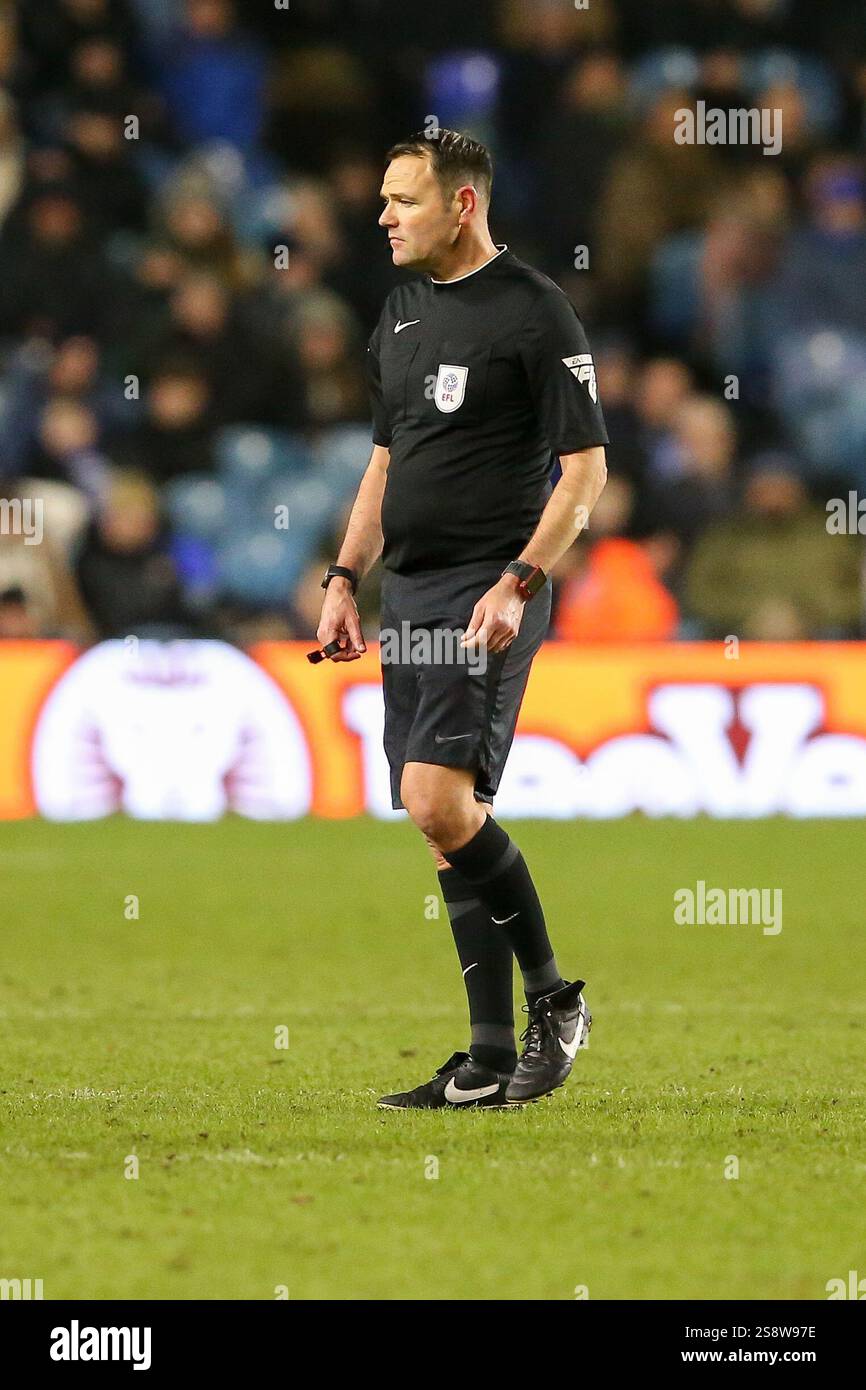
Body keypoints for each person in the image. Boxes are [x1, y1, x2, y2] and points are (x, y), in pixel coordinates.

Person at [316, 129, 608, 1109]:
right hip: (410, 588)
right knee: (439, 823)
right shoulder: (399, 313)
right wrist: (345, 574)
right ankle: (485, 1059)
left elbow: (584, 471)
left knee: (436, 798)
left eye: (402, 200)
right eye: (384, 200)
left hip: (489, 588)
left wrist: (520, 578)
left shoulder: (534, 313)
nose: (384, 217)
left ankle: (555, 1000)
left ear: (461, 206)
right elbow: (385, 463)